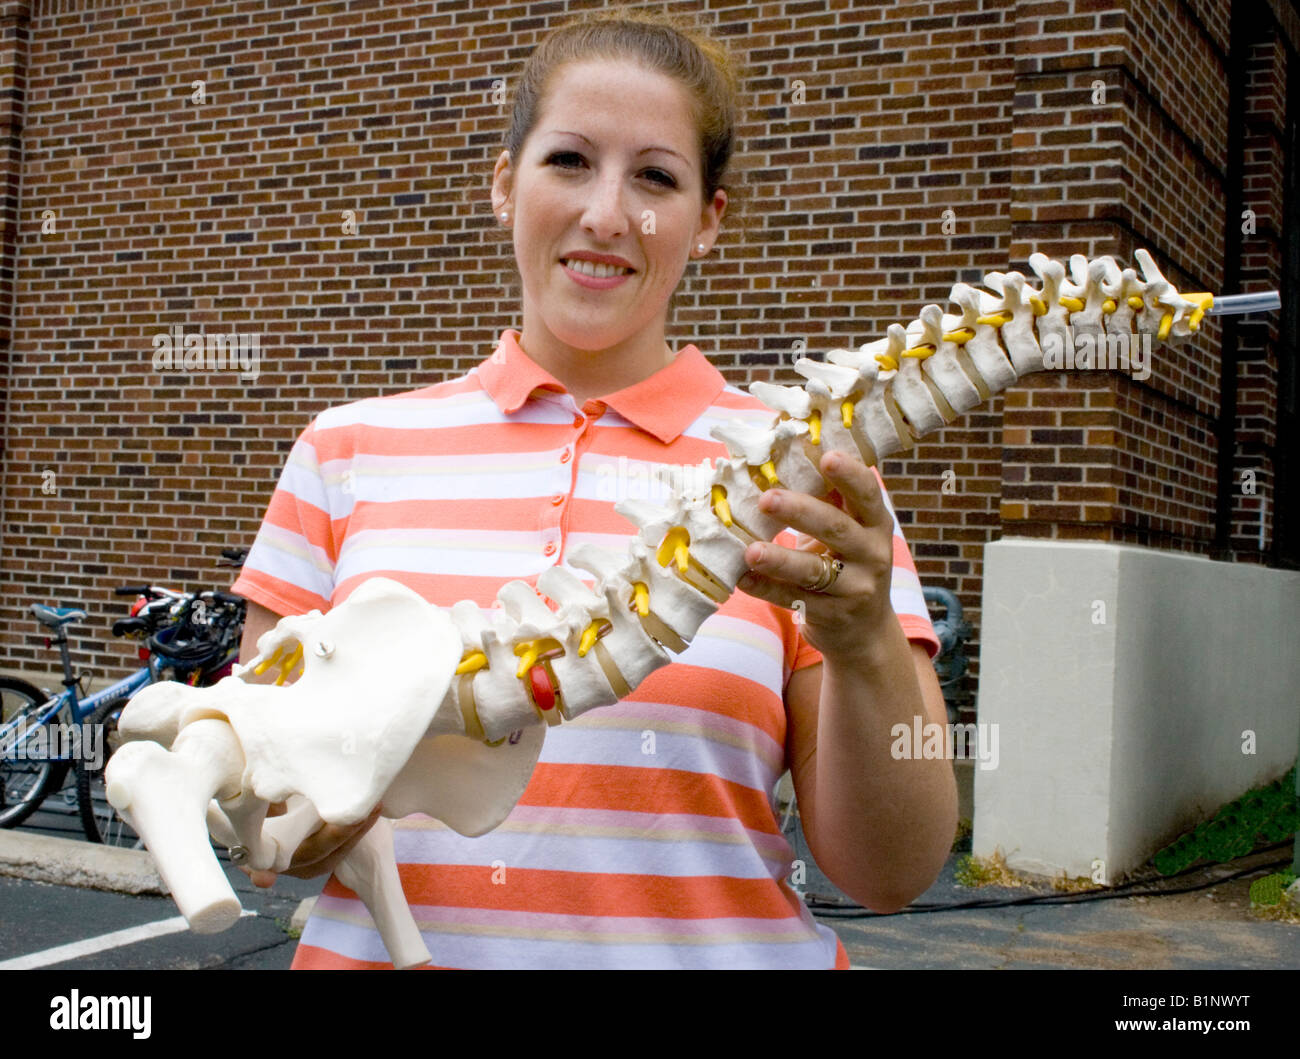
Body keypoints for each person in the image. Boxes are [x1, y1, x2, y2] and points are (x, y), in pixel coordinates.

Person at [231, 10, 956, 969]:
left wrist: (864, 643)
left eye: (656, 176)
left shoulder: (810, 478)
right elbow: (263, 822)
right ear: (505, 184)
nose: (609, 213)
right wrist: (327, 785)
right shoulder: (342, 451)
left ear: (708, 220)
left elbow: (891, 871)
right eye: (569, 160)